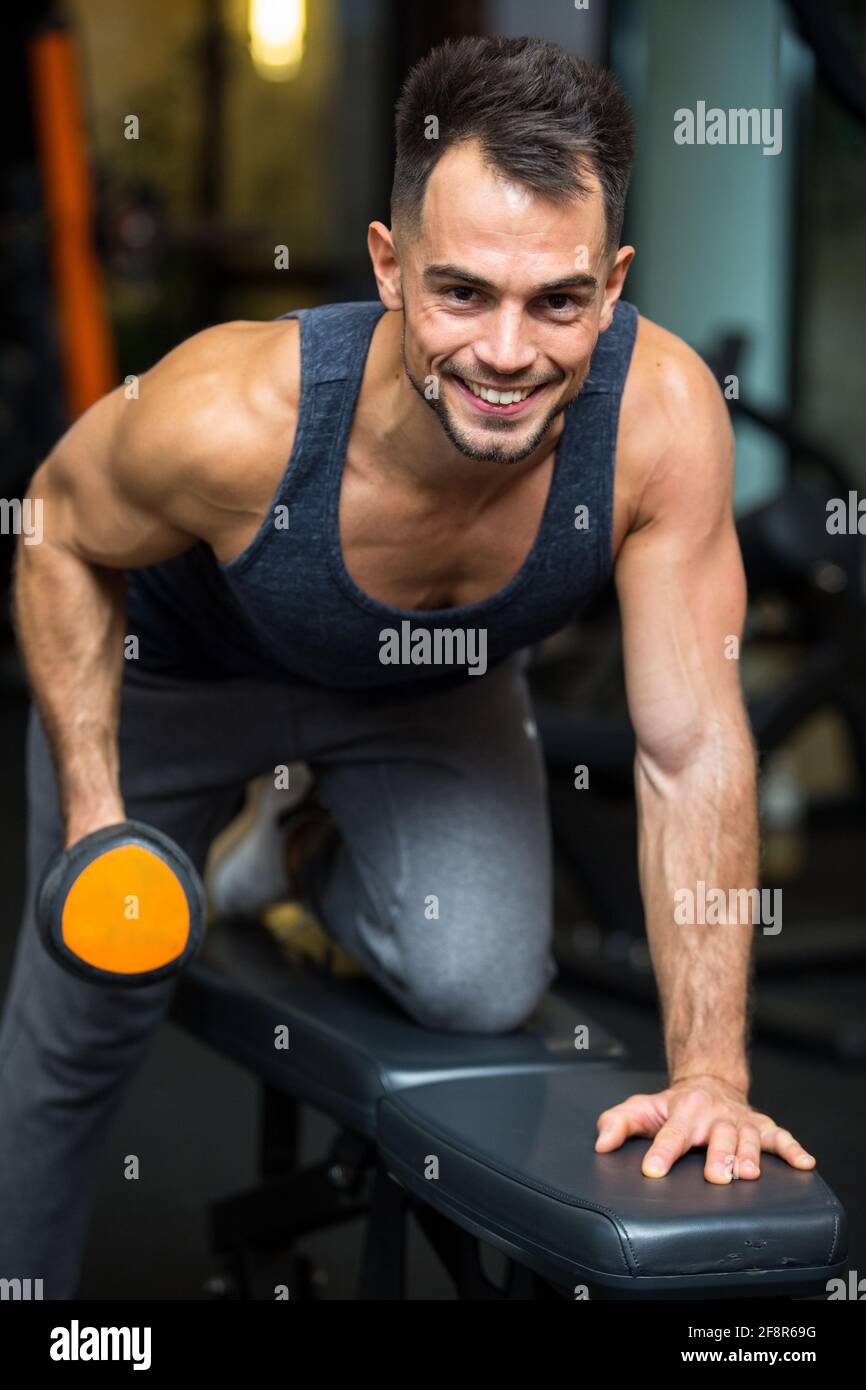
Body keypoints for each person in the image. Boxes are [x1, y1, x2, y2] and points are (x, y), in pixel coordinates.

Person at [0, 34, 814, 1299]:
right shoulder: (233, 414)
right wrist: (99, 813)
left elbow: (690, 743)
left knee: (480, 982)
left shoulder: (656, 422)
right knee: (85, 1014)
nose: (504, 354)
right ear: (388, 267)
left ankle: (294, 843)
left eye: (555, 300)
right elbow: (53, 526)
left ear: (611, 285)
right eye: (460, 293)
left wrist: (709, 1072)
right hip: (181, 676)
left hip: (426, 685)